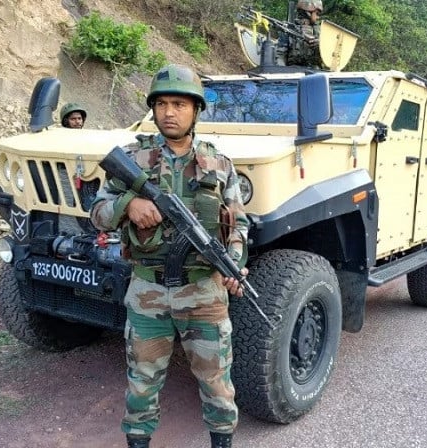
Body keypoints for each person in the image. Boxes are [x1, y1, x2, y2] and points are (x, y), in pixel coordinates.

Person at [89, 64, 249, 448]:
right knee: (142, 385)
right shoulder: (134, 160)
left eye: (179, 104)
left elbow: (238, 225)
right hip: (147, 292)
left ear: (196, 110)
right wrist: (129, 204)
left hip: (205, 292)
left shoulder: (219, 164)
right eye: (161, 104)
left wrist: (235, 265)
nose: (169, 112)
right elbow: (96, 212)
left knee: (216, 384)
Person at [284, 0, 323, 67]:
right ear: (308, 13)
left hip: (315, 73)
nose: (318, 17)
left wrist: (321, 45)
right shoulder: (288, 29)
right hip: (292, 73)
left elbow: (329, 58)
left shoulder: (321, 32)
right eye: (317, 13)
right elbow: (280, 56)